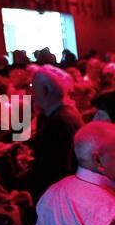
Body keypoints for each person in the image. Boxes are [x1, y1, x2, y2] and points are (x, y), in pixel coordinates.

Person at [24, 65, 83, 200]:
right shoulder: (58, 115)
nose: (31, 93)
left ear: (45, 90)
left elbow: (57, 171)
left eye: (33, 87)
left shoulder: (59, 122)